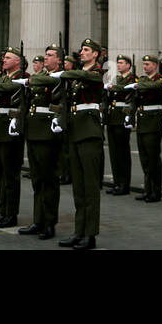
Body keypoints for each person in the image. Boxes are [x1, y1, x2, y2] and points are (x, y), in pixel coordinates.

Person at [60, 38, 105, 249]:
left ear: (95, 54)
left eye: (86, 50)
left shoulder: (96, 71)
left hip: (89, 132)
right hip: (76, 130)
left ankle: (90, 233)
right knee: (78, 187)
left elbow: (86, 76)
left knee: (90, 187)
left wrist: (65, 72)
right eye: (82, 49)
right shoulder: (79, 74)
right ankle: (79, 230)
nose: (82, 52)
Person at [18, 44, 64, 238]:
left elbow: (61, 102)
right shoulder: (40, 76)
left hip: (47, 131)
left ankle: (49, 222)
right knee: (37, 179)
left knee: (49, 179)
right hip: (34, 129)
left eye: (50, 55)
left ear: (59, 60)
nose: (46, 58)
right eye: (45, 55)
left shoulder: (61, 77)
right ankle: (38, 220)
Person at [0, 46, 27, 228]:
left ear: (18, 61)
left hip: (10, 129)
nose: (4, 61)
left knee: (11, 175)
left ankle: (11, 213)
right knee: (1, 173)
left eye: (8, 58)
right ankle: (2, 210)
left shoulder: (21, 78)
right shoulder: (3, 78)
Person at [130, 54, 162, 202]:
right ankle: (147, 189)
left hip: (153, 120)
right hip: (143, 120)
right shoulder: (142, 80)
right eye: (144, 64)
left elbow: (154, 87)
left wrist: (139, 85)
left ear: (155, 65)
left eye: (148, 64)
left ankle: (155, 191)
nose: (145, 67)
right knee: (144, 157)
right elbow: (136, 98)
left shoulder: (160, 78)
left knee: (153, 157)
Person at [104, 55, 136, 196]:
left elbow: (127, 92)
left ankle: (124, 184)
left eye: (122, 63)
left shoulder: (131, 79)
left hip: (122, 117)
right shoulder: (117, 79)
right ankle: (117, 182)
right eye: (118, 63)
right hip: (113, 117)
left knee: (122, 152)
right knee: (114, 153)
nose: (119, 65)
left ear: (129, 65)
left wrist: (113, 87)